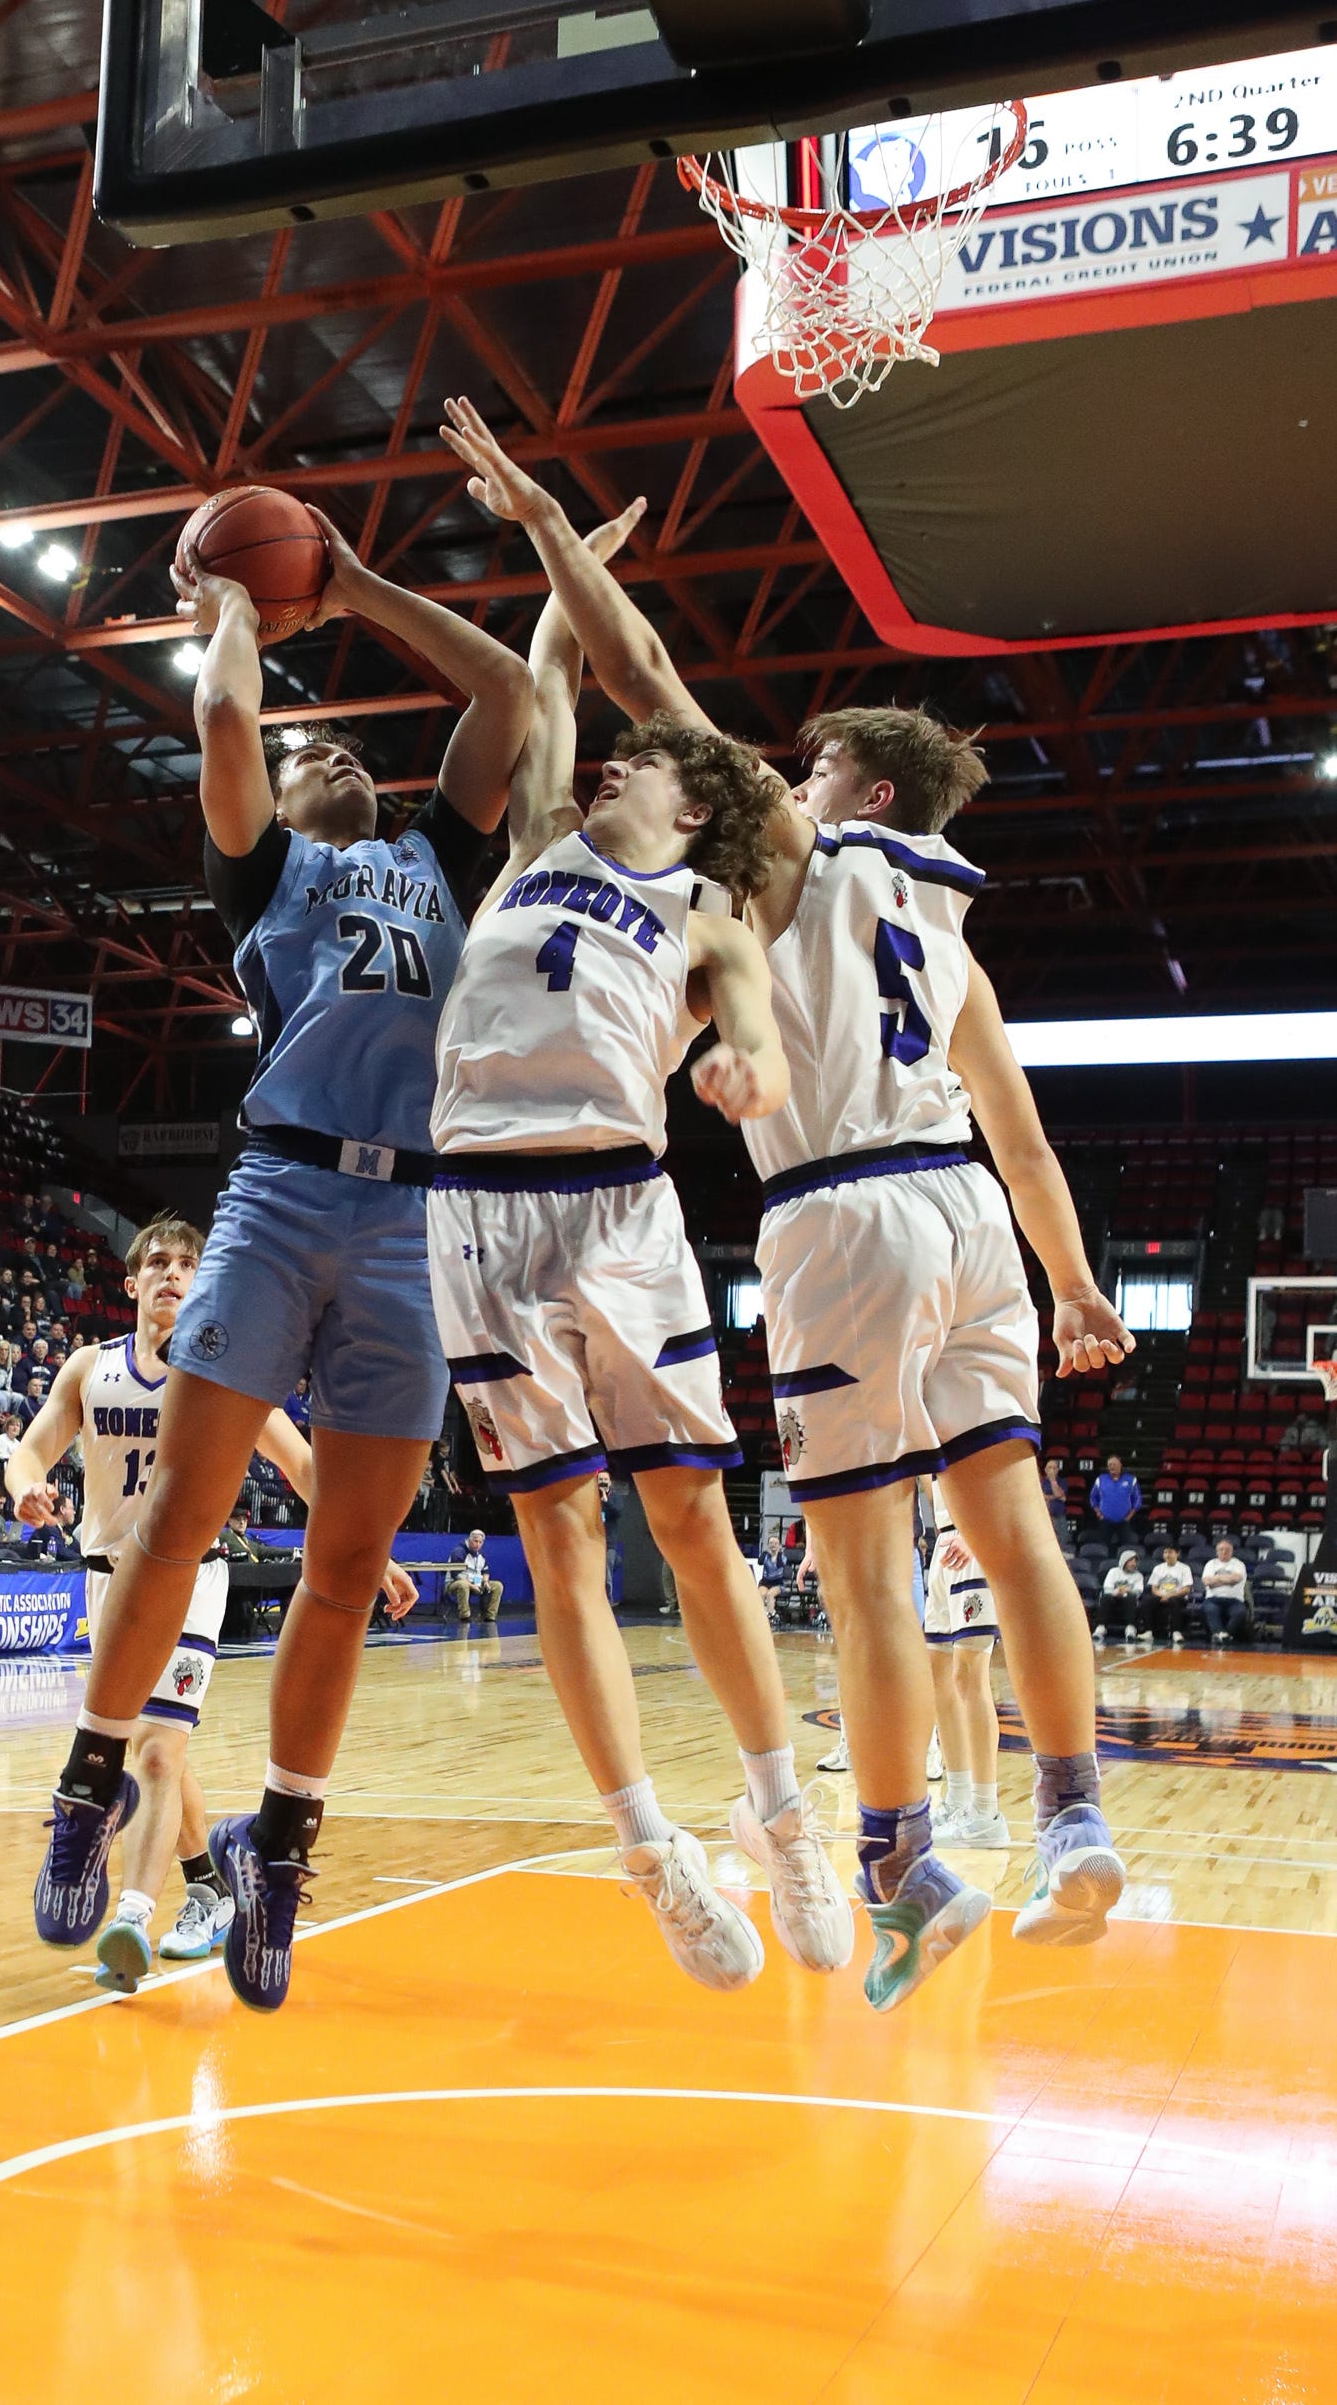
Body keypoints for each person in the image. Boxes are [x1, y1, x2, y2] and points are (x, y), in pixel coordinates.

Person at [451, 413, 1131, 2008]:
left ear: (859, 784)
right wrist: (1076, 1290)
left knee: (866, 1572)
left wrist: (544, 528)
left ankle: (895, 1859)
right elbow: (1026, 1145)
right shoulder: (947, 931)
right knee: (1012, 1532)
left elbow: (637, 673)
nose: (785, 770)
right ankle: (1072, 1814)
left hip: (841, 1216)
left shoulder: (799, 846)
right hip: (970, 1212)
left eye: (811, 762)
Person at [34, 514, 535, 2015]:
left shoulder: (438, 853)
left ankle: (282, 1847)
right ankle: (88, 1786)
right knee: (179, 1519)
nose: (329, 754)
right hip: (280, 1194)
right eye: (308, 750)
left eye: (341, 747)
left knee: (349, 1567)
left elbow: (506, 691)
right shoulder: (265, 876)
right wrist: (239, 607)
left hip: (410, 1224)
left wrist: (358, 586)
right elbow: (223, 717)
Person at [430, 404, 853, 1989]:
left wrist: (745, 1069)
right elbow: (548, 677)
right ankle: (646, 1850)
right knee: (554, 1537)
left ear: (692, 807)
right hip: (471, 1213)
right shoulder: (534, 844)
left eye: (655, 760)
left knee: (684, 1519)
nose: (624, 759)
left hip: (617, 1207)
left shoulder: (707, 910)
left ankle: (777, 1815)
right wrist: (551, 544)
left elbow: (754, 1037)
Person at [20, 1219, 326, 1987]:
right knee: (153, 1747)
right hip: (108, 1579)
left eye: (187, 1264)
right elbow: (31, 1448)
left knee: (156, 1748)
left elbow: (303, 1467)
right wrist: (26, 1487)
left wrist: (364, 1544)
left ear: (201, 1284)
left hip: (192, 1575)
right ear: (133, 1283)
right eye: (157, 1262)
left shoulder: (226, 1376)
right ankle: (210, 1888)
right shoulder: (90, 1367)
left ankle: (129, 1917)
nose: (171, 1274)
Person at [922, 1488, 1009, 1850]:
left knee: (969, 1674)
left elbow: (1001, 1477)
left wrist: (977, 1531)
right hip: (944, 1542)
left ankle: (986, 1811)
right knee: (938, 1674)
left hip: (972, 1539)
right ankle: (958, 1798)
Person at [445, 1529, 504, 1624]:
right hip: (454, 1583)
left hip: (476, 1583)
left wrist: (485, 1581)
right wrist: (472, 1586)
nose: (478, 1544)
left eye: (480, 1542)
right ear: (469, 1540)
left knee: (497, 1585)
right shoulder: (459, 1552)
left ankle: (490, 1616)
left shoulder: (481, 1555)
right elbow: (456, 1575)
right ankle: (465, 1616)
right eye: (475, 1541)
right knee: (463, 1585)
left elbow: (485, 1571)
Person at [1201, 1539, 1251, 1645]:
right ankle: (1223, 1636)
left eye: (1227, 1550)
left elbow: (1236, 1579)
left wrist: (1217, 1578)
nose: (1224, 1552)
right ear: (1217, 1552)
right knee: (1210, 1609)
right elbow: (1207, 1581)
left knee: (1240, 1612)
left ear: (1232, 1551)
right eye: (1221, 1549)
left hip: (1235, 1600)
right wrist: (1228, 1580)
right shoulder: (1211, 1564)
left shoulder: (1238, 1564)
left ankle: (1223, 1635)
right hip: (1213, 1599)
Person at [1089, 1455, 1142, 1549]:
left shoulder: (1131, 1480)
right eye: (1109, 1465)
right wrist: (1098, 1513)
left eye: (1114, 1464)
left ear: (1120, 1465)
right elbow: (1093, 1497)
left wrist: (1129, 1516)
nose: (1112, 1467)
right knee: (1103, 1548)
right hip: (1105, 1521)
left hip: (1124, 1521)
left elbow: (1137, 1499)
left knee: (1127, 1549)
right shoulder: (1101, 1479)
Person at [1146, 1546, 1193, 1645]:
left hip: (1178, 1596)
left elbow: (1186, 1589)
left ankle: (1176, 1632)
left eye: (1170, 1552)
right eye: (1165, 1552)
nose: (1167, 1555)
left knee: (1173, 1601)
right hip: (1161, 1595)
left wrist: (1170, 1595)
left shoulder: (1185, 1568)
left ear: (1177, 1554)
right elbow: (1154, 1589)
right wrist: (1163, 1595)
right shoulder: (1158, 1568)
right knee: (1148, 1600)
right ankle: (1149, 1631)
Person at [1096, 1549, 1145, 1642]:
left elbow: (1138, 1592)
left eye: (1135, 1561)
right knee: (1106, 1597)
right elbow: (1107, 1588)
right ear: (1124, 1561)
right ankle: (1101, 1627)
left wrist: (1127, 1591)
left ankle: (1130, 1628)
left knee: (1131, 1597)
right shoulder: (1113, 1572)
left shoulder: (1138, 1575)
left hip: (1129, 1598)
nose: (1133, 1564)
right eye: (1131, 1561)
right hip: (1113, 1596)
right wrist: (1116, 1592)